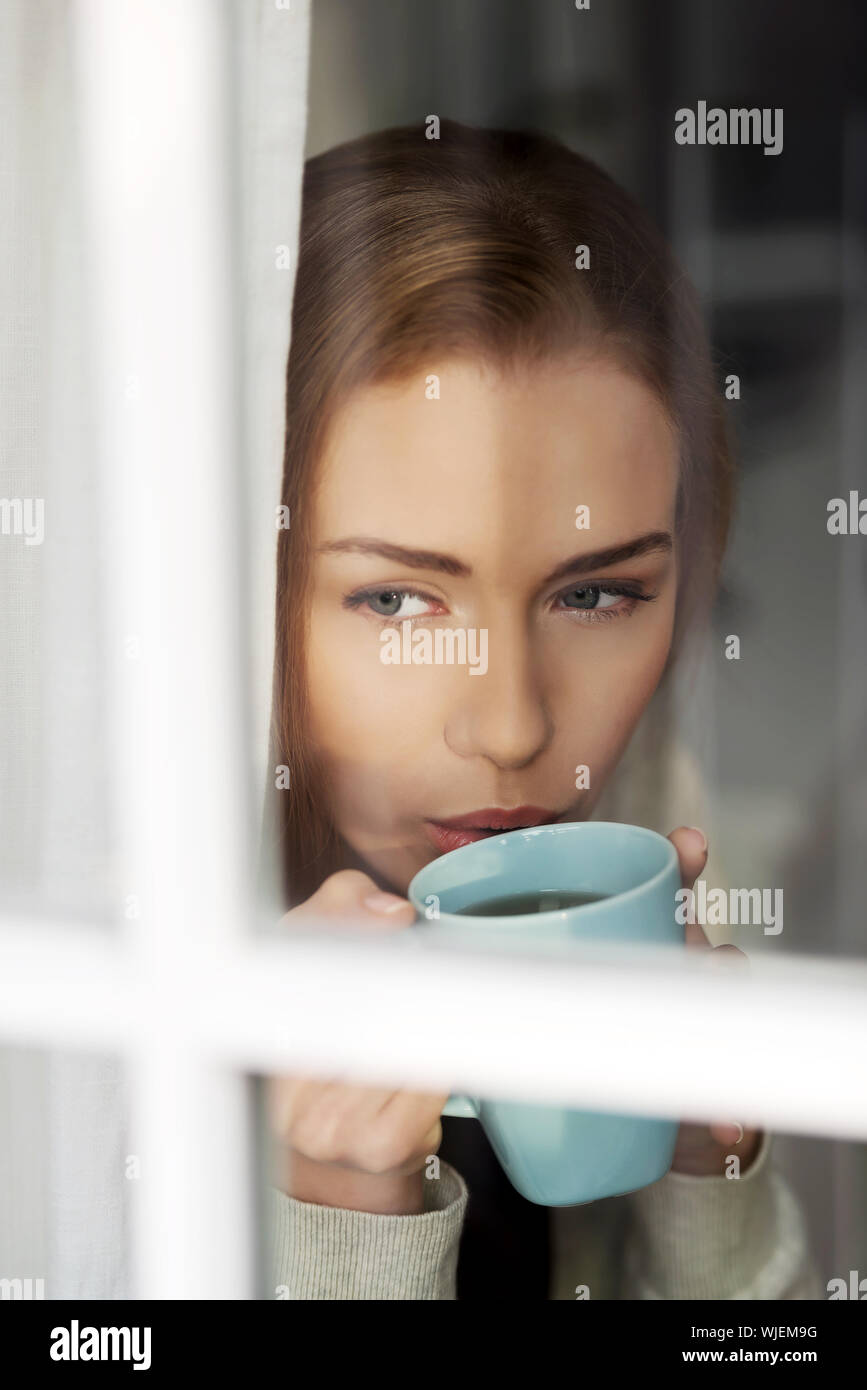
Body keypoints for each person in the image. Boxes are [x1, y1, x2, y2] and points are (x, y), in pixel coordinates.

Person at [262, 120, 821, 1300]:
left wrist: (704, 1176)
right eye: (398, 597)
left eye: (596, 592)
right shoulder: (89, 964)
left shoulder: (643, 813)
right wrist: (341, 1220)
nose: (514, 728)